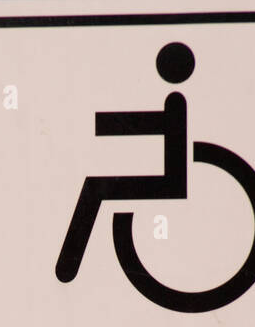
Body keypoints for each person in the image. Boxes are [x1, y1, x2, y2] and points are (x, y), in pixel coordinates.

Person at [56, 42, 196, 283]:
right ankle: (67, 268)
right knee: (96, 188)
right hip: (170, 171)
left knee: (96, 189)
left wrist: (109, 125)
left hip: (172, 175)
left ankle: (68, 267)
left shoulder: (176, 104)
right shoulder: (174, 102)